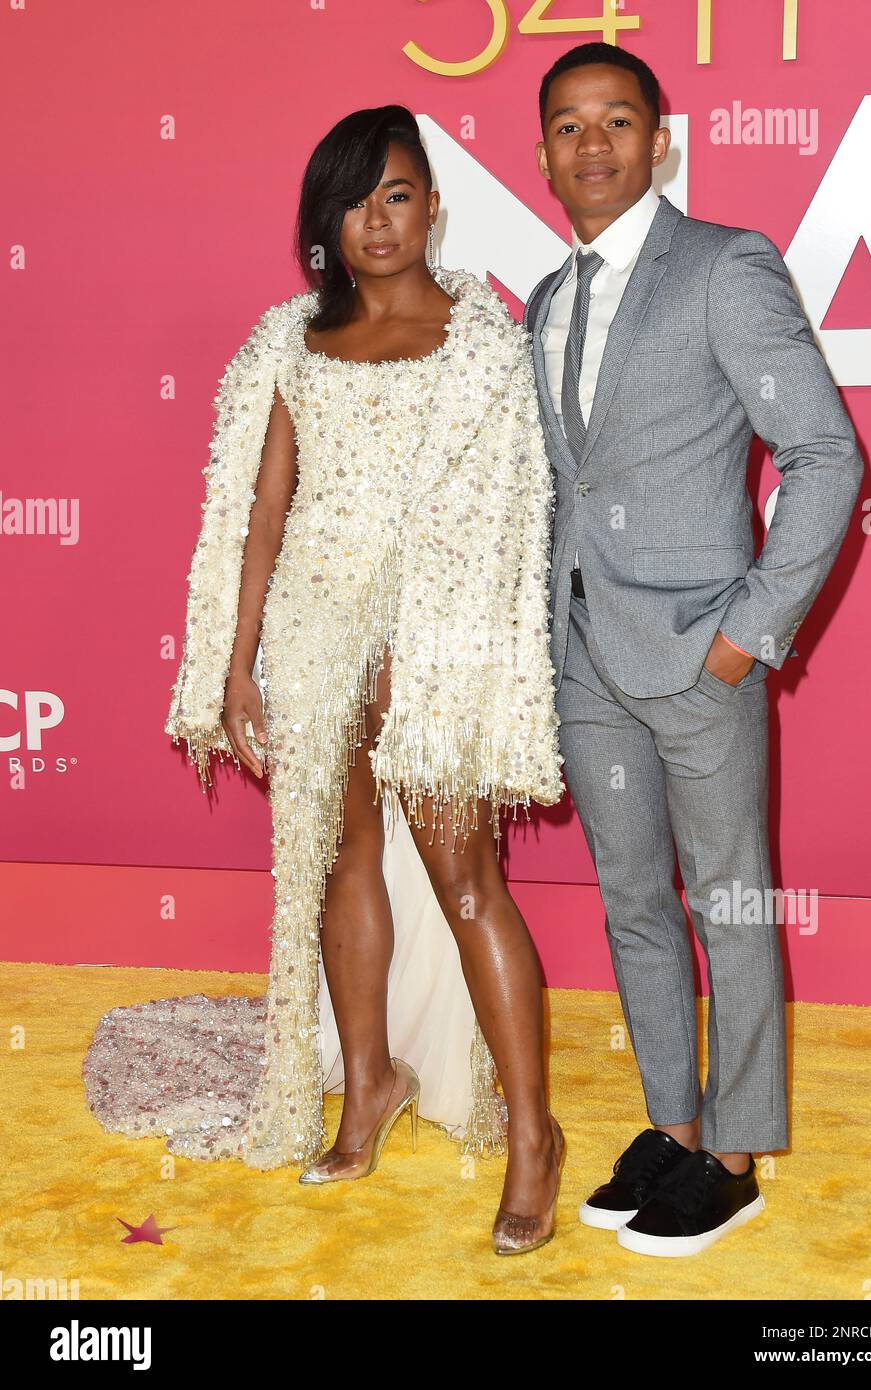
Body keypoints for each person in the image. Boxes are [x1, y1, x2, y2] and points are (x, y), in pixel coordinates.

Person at [83, 105, 567, 1256]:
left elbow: (506, 519)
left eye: (397, 194)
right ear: (324, 228)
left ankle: (537, 1137)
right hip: (310, 632)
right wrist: (236, 661)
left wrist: (426, 640)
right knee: (338, 861)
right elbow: (259, 517)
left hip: (440, 639)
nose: (377, 221)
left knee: (464, 876)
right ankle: (367, 1084)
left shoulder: (481, 337)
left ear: (432, 205)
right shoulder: (288, 343)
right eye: (352, 203)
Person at [523, 44, 863, 1256]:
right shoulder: (547, 300)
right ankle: (673, 1123)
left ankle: (738, 1148)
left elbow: (826, 456)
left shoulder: (726, 266)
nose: (594, 143)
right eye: (569, 125)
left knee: (729, 899)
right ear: (546, 151)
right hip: (589, 660)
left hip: (699, 653)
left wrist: (747, 635)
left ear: (659, 139)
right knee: (633, 905)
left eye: (619, 120)